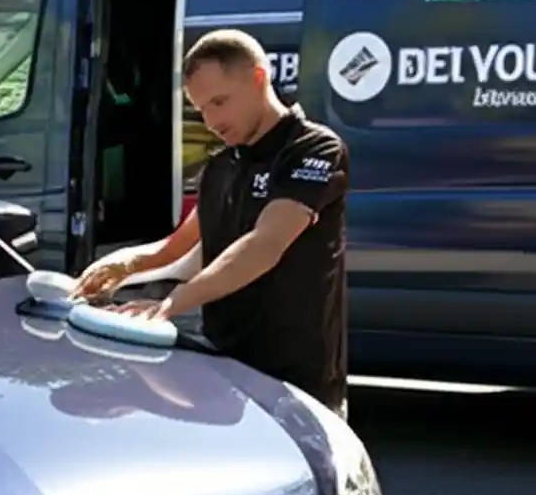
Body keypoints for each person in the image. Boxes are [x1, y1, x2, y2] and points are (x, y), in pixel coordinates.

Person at [71, 28, 350, 417]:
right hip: (223, 372)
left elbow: (264, 246)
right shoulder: (221, 165)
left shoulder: (313, 149)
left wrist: (170, 304)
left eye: (220, 102)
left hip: (295, 383)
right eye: (201, 109)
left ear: (258, 78)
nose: (212, 121)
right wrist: (121, 264)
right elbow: (177, 246)